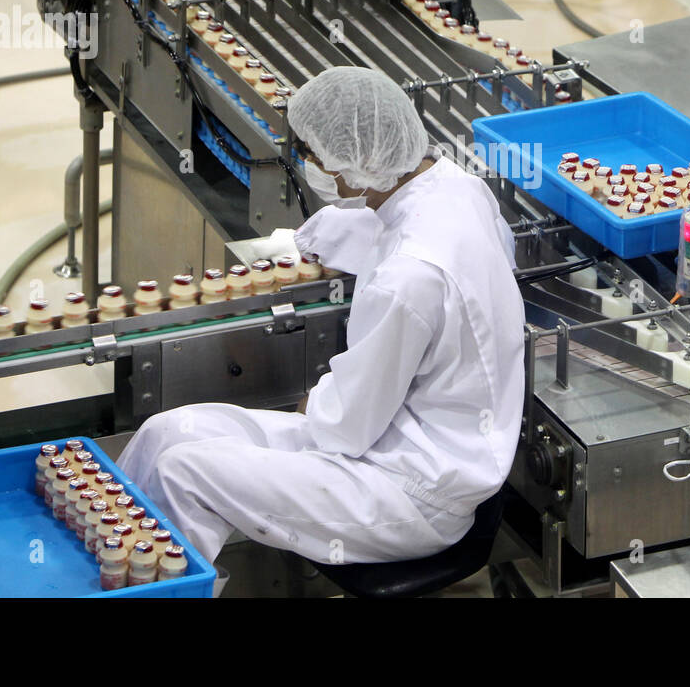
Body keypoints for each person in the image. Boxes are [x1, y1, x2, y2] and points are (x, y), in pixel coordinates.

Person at [117, 67, 525, 573]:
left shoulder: (408, 278)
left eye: (313, 154)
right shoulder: (455, 186)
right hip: (392, 436)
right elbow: (389, 227)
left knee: (184, 471)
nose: (307, 162)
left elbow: (346, 426)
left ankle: (150, 584)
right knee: (166, 432)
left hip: (414, 490)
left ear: (361, 162)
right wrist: (303, 243)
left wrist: (317, 401)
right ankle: (108, 553)